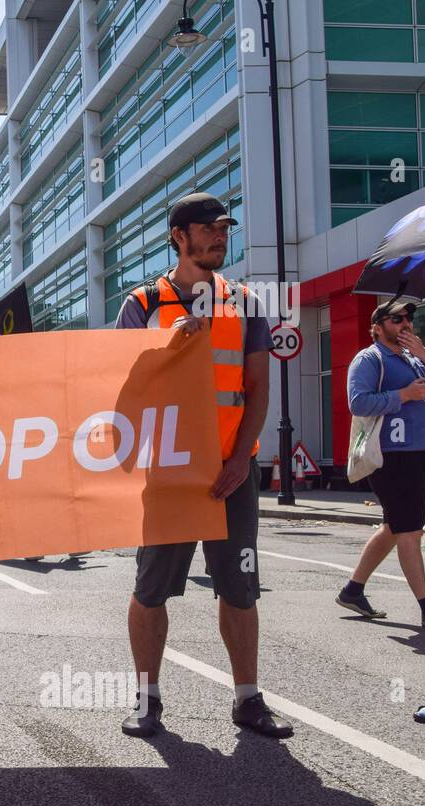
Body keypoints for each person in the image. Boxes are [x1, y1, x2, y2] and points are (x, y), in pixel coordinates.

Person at [113, 193, 292, 739]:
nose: (220, 236)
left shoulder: (246, 302)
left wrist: (242, 457)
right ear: (178, 236)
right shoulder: (142, 303)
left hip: (231, 474)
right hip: (168, 475)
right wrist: (166, 348)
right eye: (208, 228)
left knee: (239, 589)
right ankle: (147, 701)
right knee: (151, 590)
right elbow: (122, 387)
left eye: (224, 228)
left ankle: (247, 699)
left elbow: (257, 386)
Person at [337, 301, 425, 629]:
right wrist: (404, 395)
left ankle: (353, 590)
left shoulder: (415, 359)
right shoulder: (369, 359)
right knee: (410, 530)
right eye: (397, 319)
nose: (406, 324)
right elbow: (357, 402)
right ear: (378, 326)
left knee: (394, 527)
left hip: (415, 453)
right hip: (389, 456)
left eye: (409, 319)